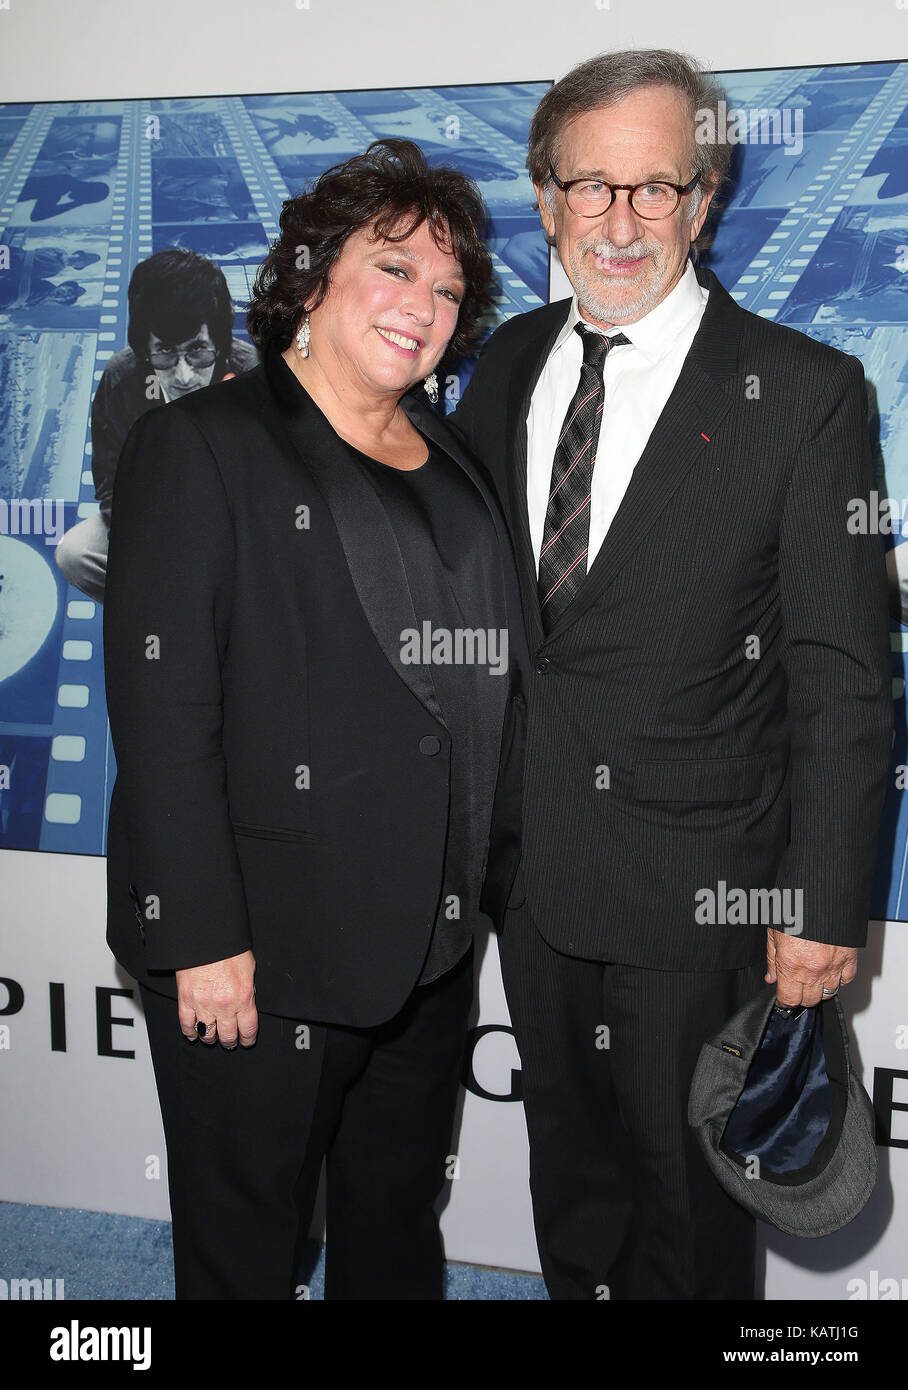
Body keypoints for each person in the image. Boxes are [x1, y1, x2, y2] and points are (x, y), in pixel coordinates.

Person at [450, 49, 892, 1300]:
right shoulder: (503, 363)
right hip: (530, 879)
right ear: (543, 201)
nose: (620, 221)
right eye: (589, 187)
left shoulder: (806, 394)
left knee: (690, 1219)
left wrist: (816, 907)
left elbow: (843, 677)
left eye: (656, 188)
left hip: (703, 899)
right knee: (571, 1191)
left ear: (704, 200)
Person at [102, 138, 527, 1300]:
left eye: (446, 289)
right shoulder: (201, 444)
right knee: (248, 1244)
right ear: (307, 275)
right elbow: (162, 707)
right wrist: (199, 937)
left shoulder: (444, 447)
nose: (423, 306)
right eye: (393, 269)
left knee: (394, 1221)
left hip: (429, 940)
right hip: (260, 947)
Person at [55, 248, 258, 602]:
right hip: (158, 523)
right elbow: (111, 484)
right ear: (143, 349)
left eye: (198, 350)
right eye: (164, 352)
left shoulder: (254, 378)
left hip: (238, 530)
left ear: (220, 343)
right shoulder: (121, 379)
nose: (183, 375)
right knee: (75, 553)